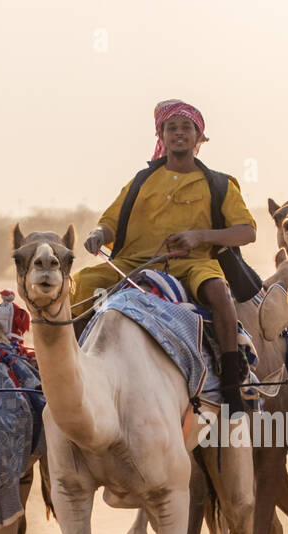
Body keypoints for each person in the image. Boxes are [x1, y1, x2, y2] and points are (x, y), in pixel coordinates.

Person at [72, 99, 257, 415]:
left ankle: (229, 382)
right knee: (82, 283)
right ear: (161, 135)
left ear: (199, 138)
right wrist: (99, 235)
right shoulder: (141, 182)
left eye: (187, 128)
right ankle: (74, 370)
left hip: (194, 262)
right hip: (135, 262)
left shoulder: (220, 184)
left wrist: (200, 236)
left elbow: (246, 231)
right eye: (171, 128)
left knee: (219, 293)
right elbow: (111, 222)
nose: (179, 134)